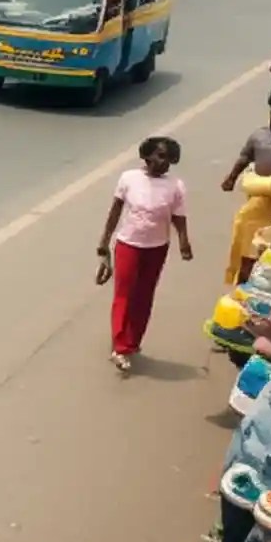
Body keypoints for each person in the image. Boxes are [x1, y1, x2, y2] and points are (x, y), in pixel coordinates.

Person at [96, 136, 193, 373]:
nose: (164, 163)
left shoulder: (175, 186)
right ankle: (119, 346)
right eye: (160, 156)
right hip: (128, 244)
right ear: (147, 156)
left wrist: (184, 242)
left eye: (169, 159)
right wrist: (104, 243)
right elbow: (115, 211)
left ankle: (132, 341)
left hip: (157, 247)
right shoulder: (129, 178)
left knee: (144, 296)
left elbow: (178, 217)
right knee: (124, 295)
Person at [222, 109, 271, 285]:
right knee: (247, 245)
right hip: (259, 204)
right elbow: (245, 157)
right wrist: (232, 177)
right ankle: (242, 283)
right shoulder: (260, 136)